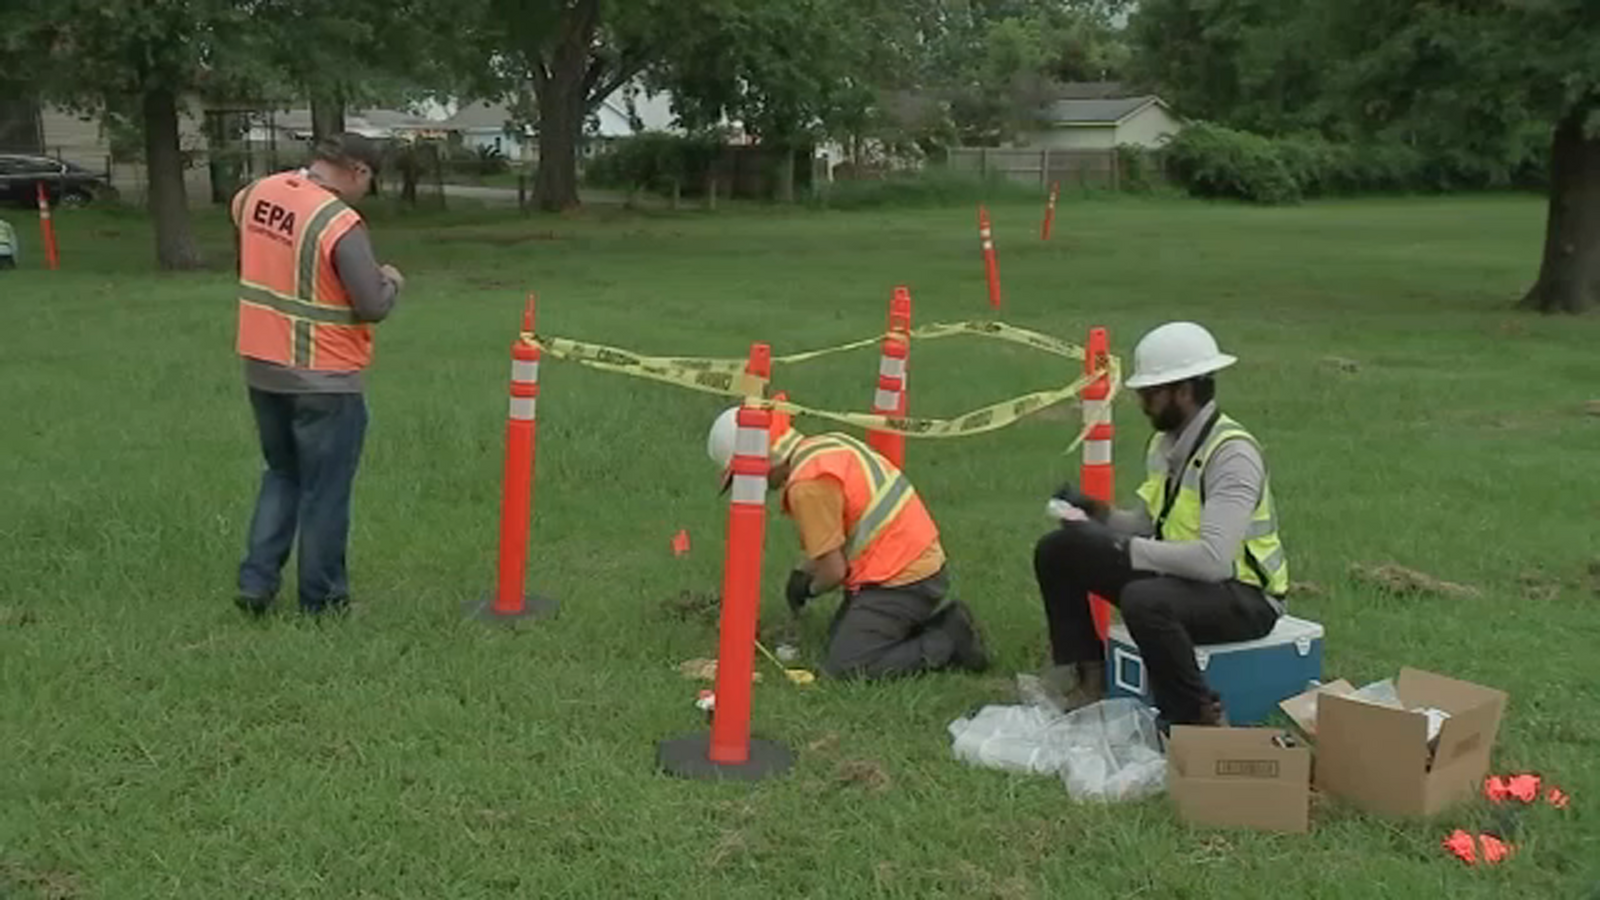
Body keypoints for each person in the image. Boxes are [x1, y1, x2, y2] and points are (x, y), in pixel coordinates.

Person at [1033, 322, 1288, 726]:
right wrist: (1096, 514)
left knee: (1144, 599)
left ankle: (1197, 716)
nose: (1142, 404)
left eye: (1150, 394)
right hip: (1187, 580)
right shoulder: (1167, 443)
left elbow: (1214, 561)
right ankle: (1090, 681)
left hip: (1245, 597)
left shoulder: (1232, 456)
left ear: (1183, 391)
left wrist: (1121, 548)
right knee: (1058, 551)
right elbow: (1148, 524)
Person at [231, 133, 404, 616]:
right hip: (325, 379)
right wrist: (392, 281)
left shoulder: (256, 194)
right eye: (370, 181)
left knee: (281, 473)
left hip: (262, 366)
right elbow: (371, 304)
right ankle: (323, 601)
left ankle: (256, 582)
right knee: (325, 492)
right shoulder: (337, 221)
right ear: (359, 171)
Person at [706, 405, 989, 680]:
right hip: (914, 562)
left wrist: (809, 589)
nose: (755, 484)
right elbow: (841, 536)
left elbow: (834, 571)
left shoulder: (807, 486)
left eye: (745, 474)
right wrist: (803, 571)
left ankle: (950, 638)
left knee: (846, 667)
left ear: (763, 459)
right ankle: (924, 627)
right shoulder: (825, 447)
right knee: (839, 640)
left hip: (901, 579)